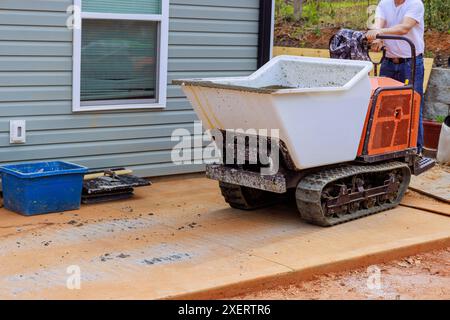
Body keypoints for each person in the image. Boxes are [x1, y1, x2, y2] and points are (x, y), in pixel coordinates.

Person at [366, 0, 425, 153]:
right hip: (389, 62)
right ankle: (384, 148)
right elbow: (378, 24)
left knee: (412, 105)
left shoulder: (415, 4)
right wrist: (377, 37)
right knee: (383, 106)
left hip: (410, 62)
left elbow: (404, 28)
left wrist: (380, 33)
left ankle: (415, 150)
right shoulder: (384, 4)